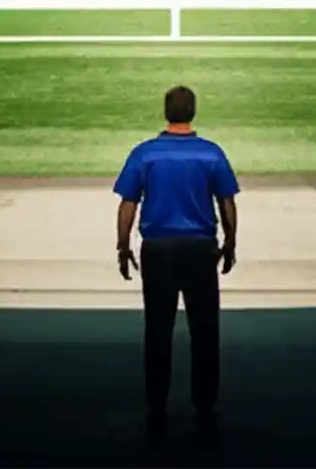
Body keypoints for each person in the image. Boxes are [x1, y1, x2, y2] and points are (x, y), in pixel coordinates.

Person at [113, 85, 239, 430]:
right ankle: (205, 403)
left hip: (157, 250)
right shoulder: (211, 153)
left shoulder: (145, 153)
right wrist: (230, 242)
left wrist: (123, 246)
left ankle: (157, 403)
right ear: (193, 112)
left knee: (157, 329)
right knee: (205, 330)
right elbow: (227, 202)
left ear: (166, 112)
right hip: (199, 250)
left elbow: (128, 204)